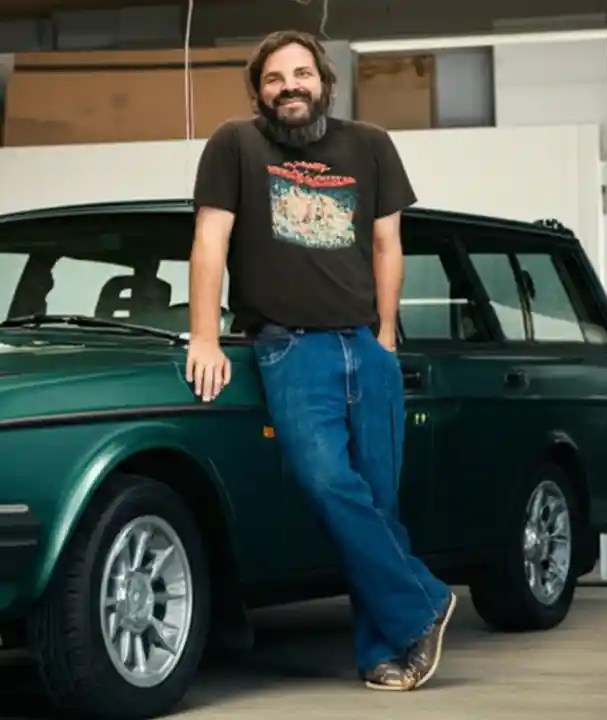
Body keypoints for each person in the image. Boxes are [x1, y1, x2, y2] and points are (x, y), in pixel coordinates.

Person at [185, 29, 456, 692]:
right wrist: (204, 337)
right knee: (328, 484)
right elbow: (208, 241)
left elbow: (388, 244)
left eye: (301, 74)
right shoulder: (235, 144)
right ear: (260, 92)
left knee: (379, 503)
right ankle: (425, 601)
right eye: (275, 79)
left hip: (367, 348)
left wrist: (386, 336)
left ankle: (385, 654)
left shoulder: (369, 145)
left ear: (323, 81)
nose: (290, 87)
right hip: (290, 347)